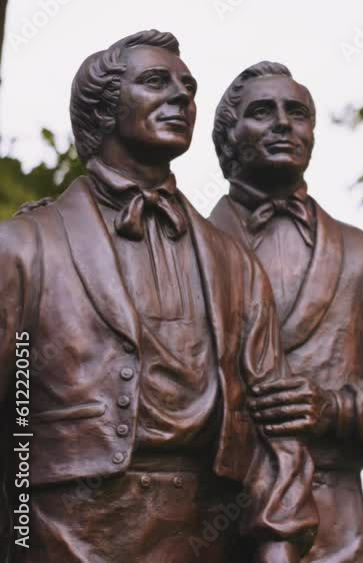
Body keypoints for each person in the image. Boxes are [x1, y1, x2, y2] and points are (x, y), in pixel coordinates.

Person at [0, 31, 317, 563]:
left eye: (188, 88)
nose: (181, 98)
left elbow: (275, 428)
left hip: (203, 537)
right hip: (62, 537)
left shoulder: (234, 262)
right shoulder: (24, 246)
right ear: (103, 107)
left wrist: (279, 545)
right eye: (155, 82)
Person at [209, 62, 363, 563]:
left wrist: (335, 407)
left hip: (333, 524)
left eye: (297, 113)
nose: (284, 123)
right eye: (263, 112)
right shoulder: (183, 249)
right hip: (210, 520)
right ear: (226, 141)